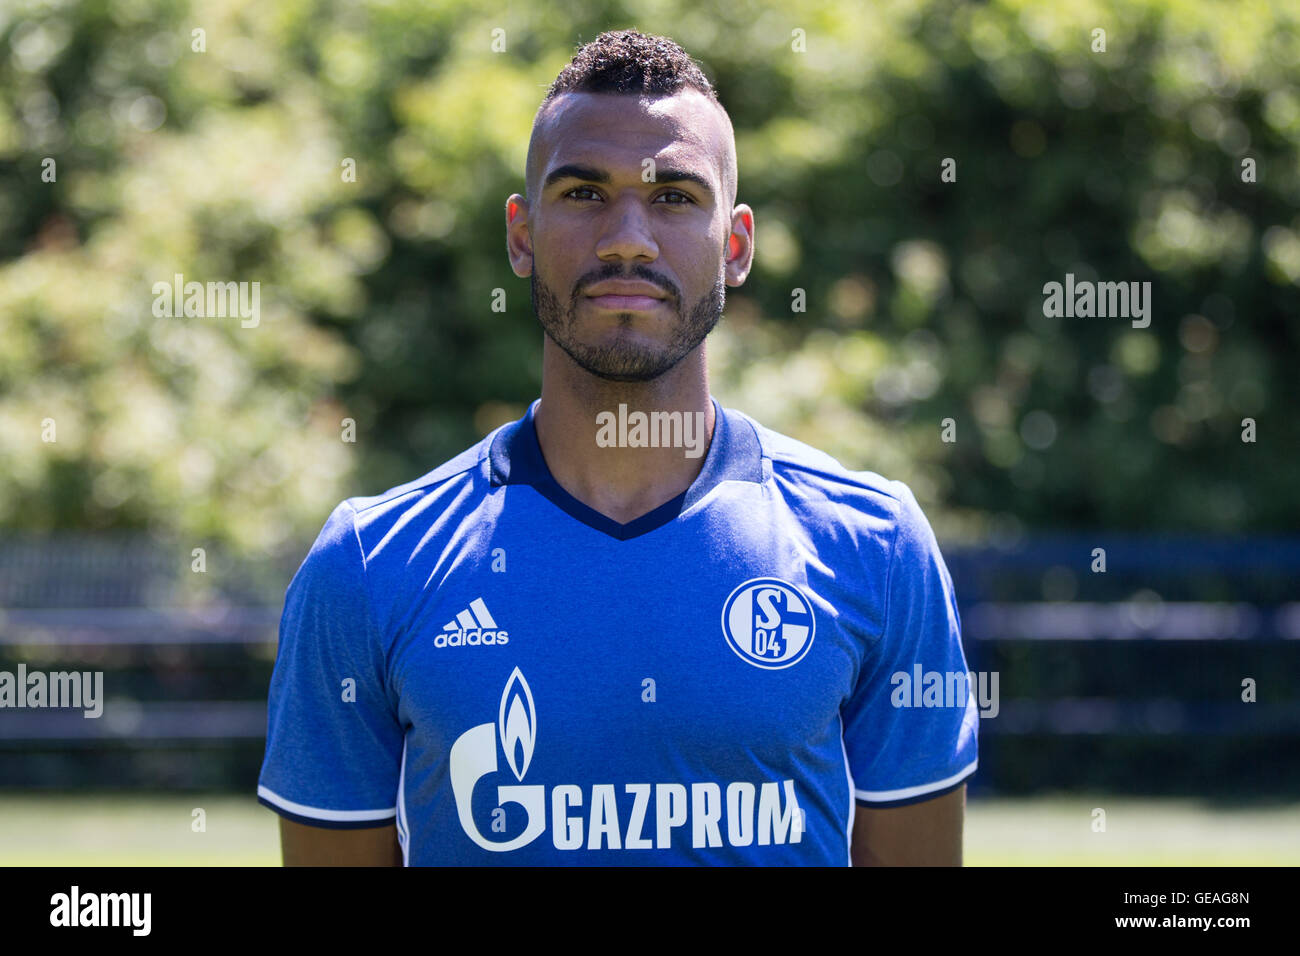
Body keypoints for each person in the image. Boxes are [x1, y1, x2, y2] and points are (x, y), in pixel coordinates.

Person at [257, 29, 977, 866]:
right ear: (521, 237)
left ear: (735, 246)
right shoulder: (370, 565)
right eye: (584, 193)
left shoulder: (876, 545)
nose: (627, 238)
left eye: (674, 196)